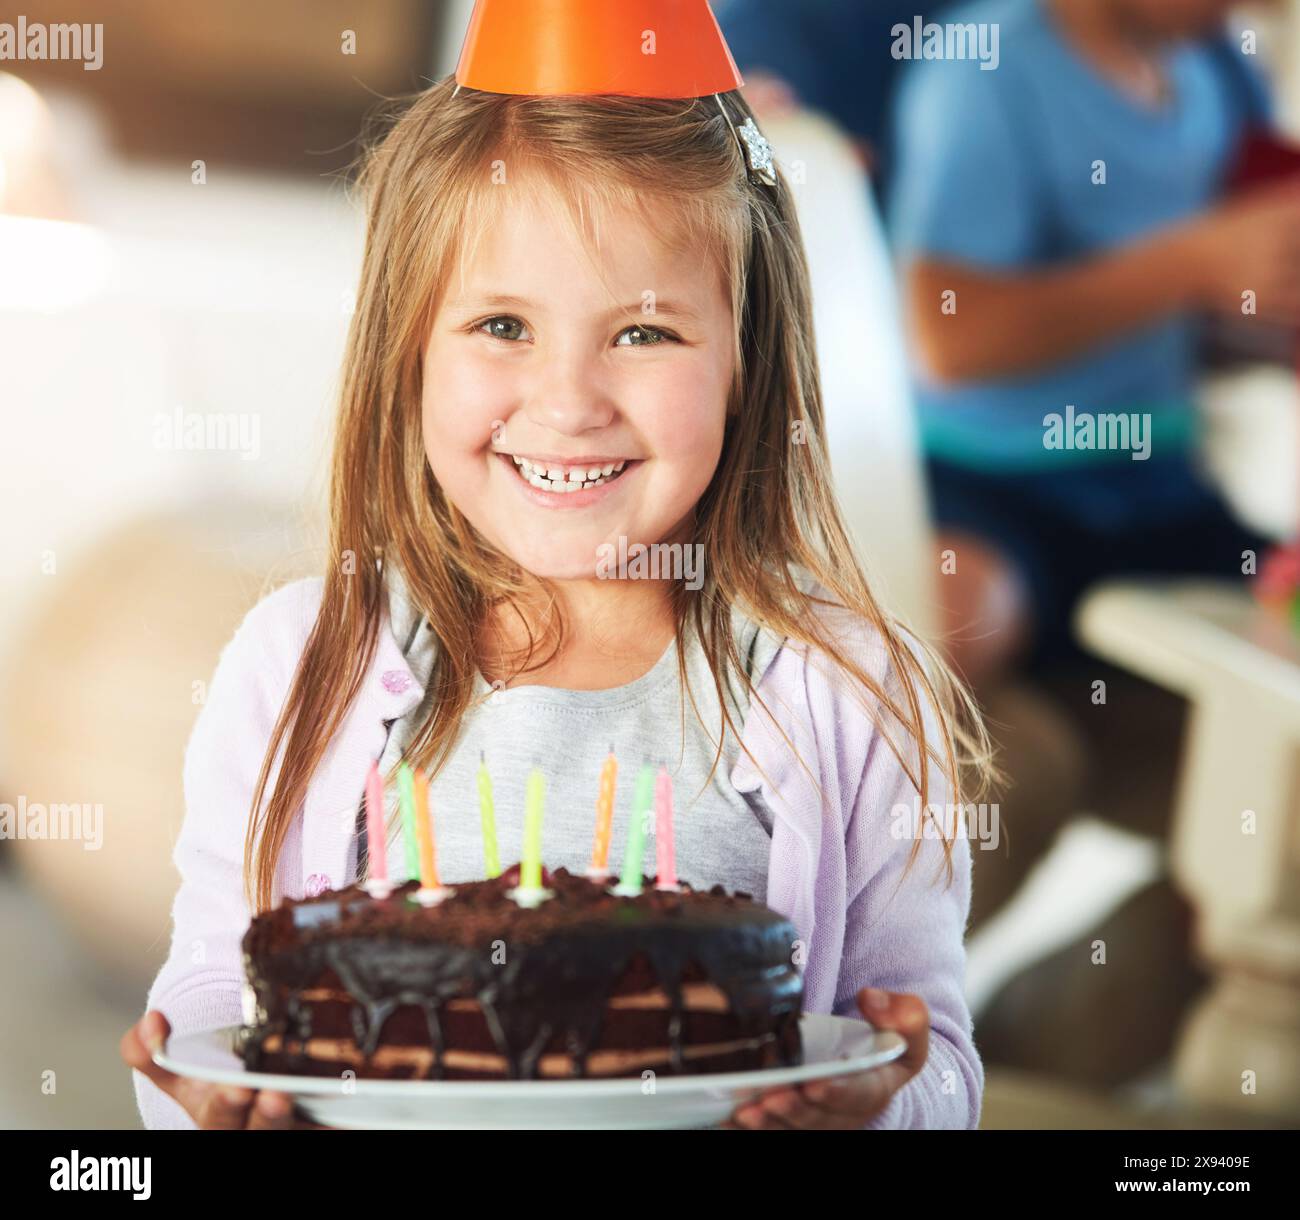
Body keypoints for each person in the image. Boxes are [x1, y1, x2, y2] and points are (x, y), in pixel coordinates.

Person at [119, 1, 998, 1130]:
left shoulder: (857, 697)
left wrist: (868, 1107)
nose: (570, 402)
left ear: (748, 359)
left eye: (643, 332)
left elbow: (935, 1062)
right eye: (501, 325)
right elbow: (205, 994)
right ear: (408, 351)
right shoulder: (297, 664)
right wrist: (203, 1107)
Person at [890, 0, 1288, 690]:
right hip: (988, 483)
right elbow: (946, 342)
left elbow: (1206, 319)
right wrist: (1198, 263)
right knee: (941, 637)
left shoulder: (1217, 73)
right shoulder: (983, 70)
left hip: (1162, 479)